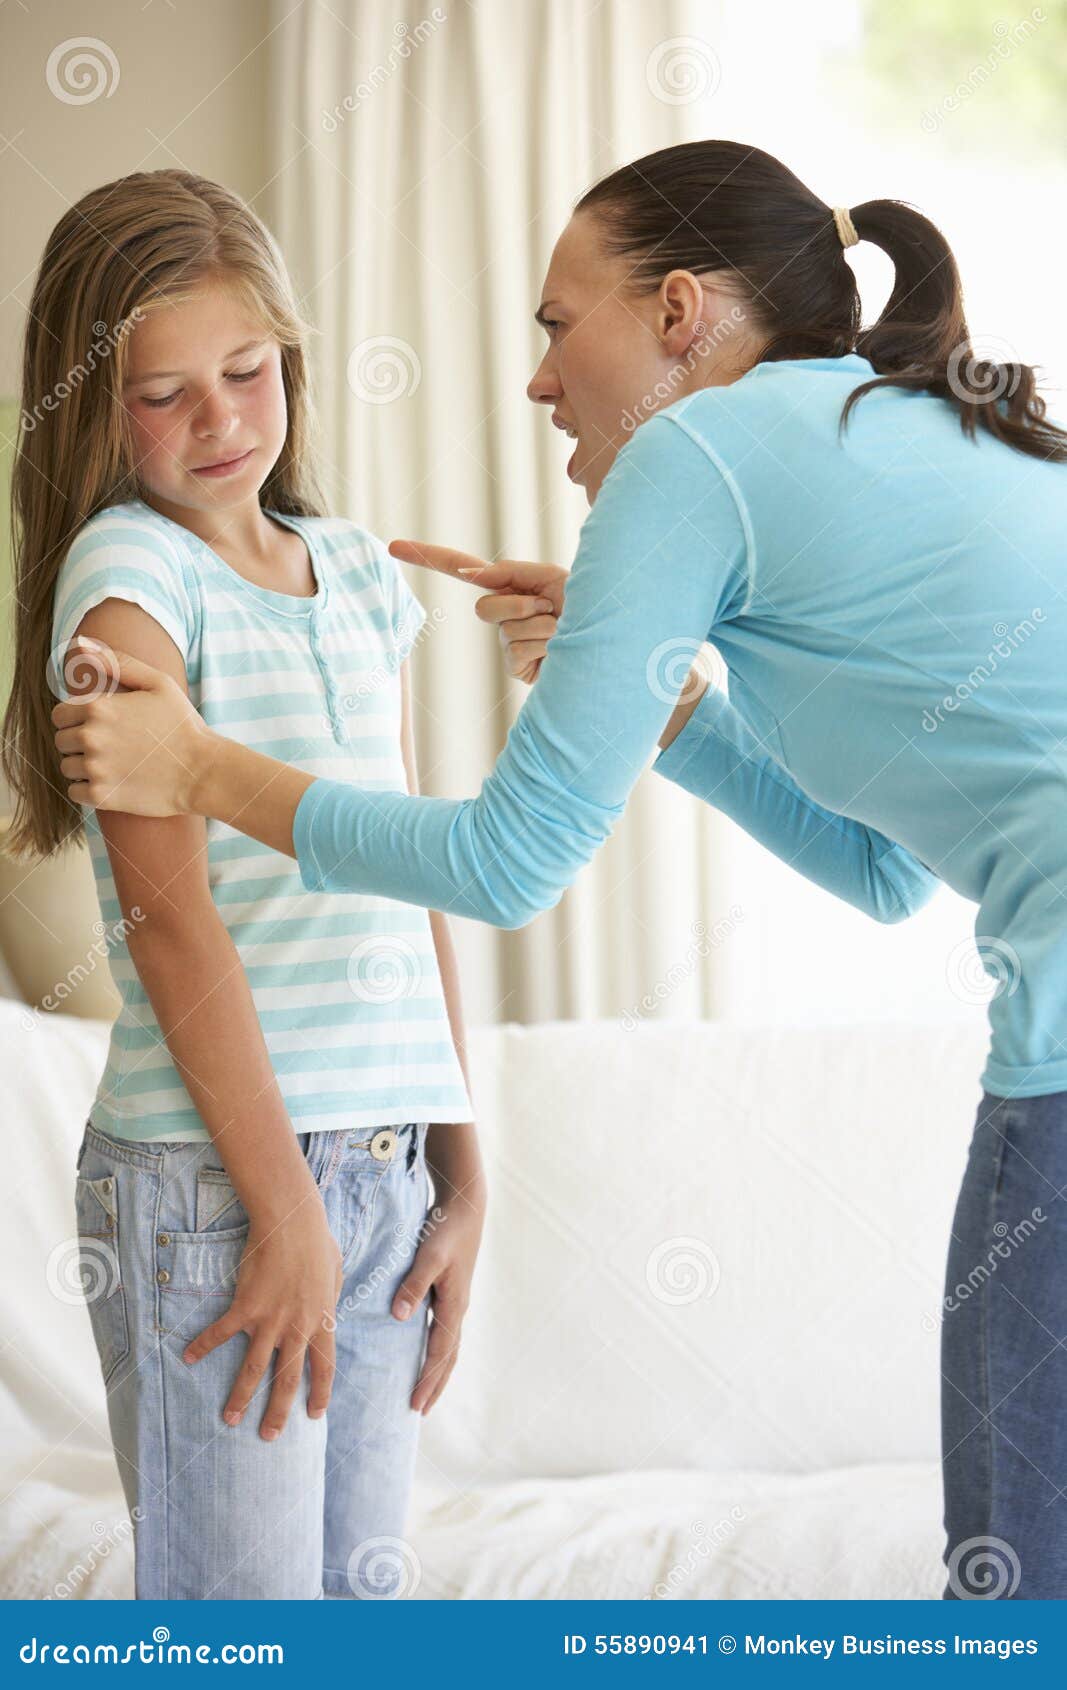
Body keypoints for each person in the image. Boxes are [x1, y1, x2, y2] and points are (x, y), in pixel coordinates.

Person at [51, 140, 1067, 1599]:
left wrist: (208, 769)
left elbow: (502, 860)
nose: (536, 382)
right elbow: (891, 872)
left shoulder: (692, 456)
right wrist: (668, 708)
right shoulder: (884, 421)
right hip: (240, 1181)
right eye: (164, 391)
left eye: (553, 326)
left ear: (675, 315)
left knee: (1025, 1598)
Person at [3, 169, 486, 1600]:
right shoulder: (130, 580)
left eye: (245, 368)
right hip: (218, 1186)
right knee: (242, 1633)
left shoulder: (349, 566)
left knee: (353, 1616)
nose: (218, 420)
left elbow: (413, 860)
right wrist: (283, 1210)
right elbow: (168, 920)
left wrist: (460, 1174)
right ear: (94, 406)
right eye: (162, 393)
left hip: (380, 1169)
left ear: (291, 357)